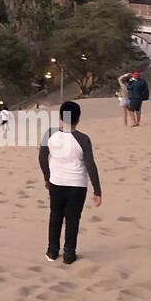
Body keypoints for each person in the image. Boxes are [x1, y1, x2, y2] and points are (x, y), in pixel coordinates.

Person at [39, 100, 101, 265]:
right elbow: (90, 165)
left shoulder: (49, 134)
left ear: (61, 116)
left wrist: (47, 177)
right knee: (73, 219)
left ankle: (52, 251)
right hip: (77, 185)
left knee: (55, 216)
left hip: (56, 182)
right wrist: (97, 191)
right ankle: (69, 254)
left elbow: (42, 158)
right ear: (78, 118)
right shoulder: (83, 139)